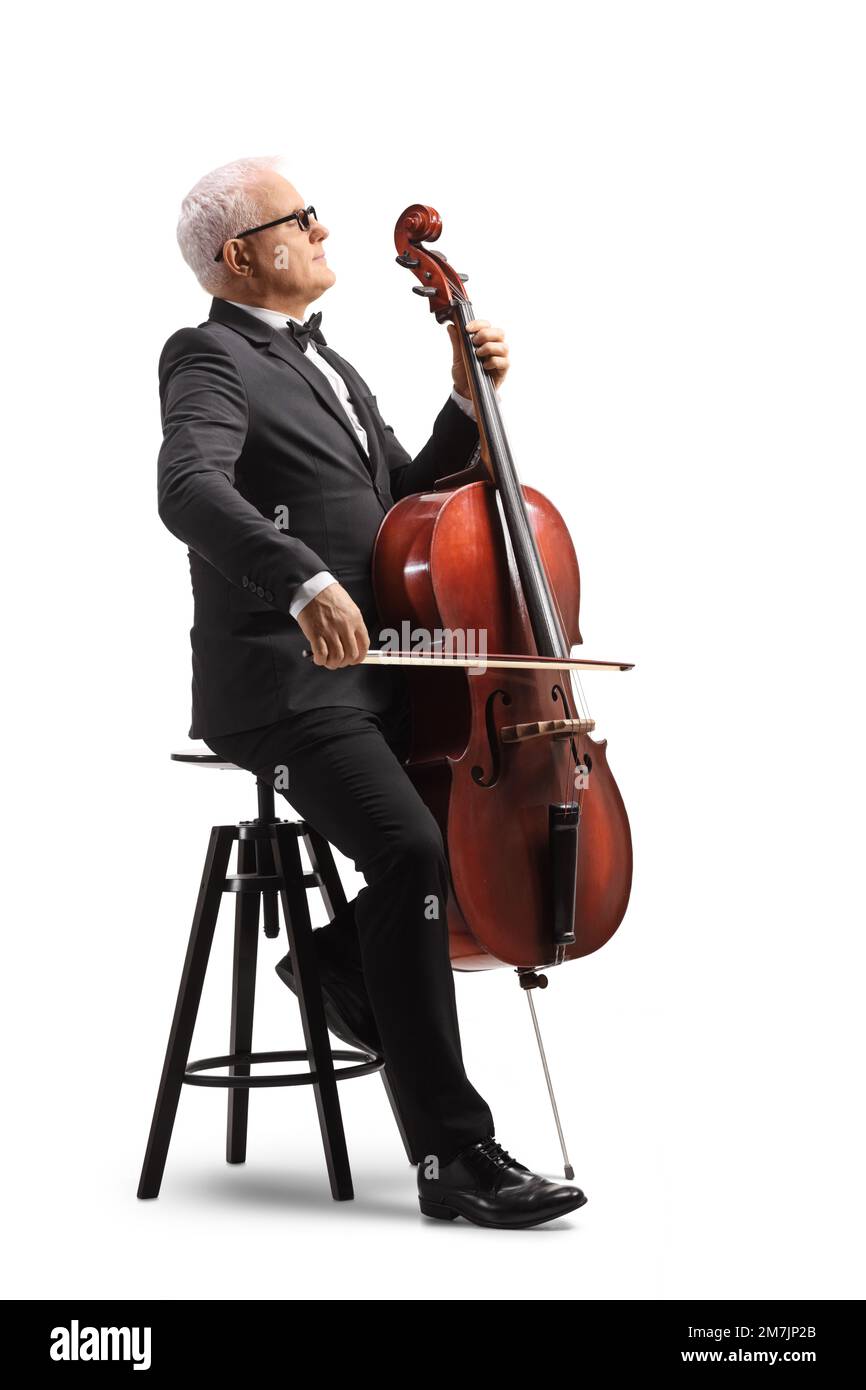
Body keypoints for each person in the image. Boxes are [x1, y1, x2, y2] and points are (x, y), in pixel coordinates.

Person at [157, 155, 587, 1228]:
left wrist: (462, 401)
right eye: (298, 218)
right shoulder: (206, 357)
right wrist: (297, 578)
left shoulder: (334, 370)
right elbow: (188, 485)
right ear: (240, 253)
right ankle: (453, 1156)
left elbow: (408, 501)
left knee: (436, 849)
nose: (319, 228)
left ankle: (338, 964)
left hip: (385, 674)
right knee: (410, 851)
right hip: (284, 688)